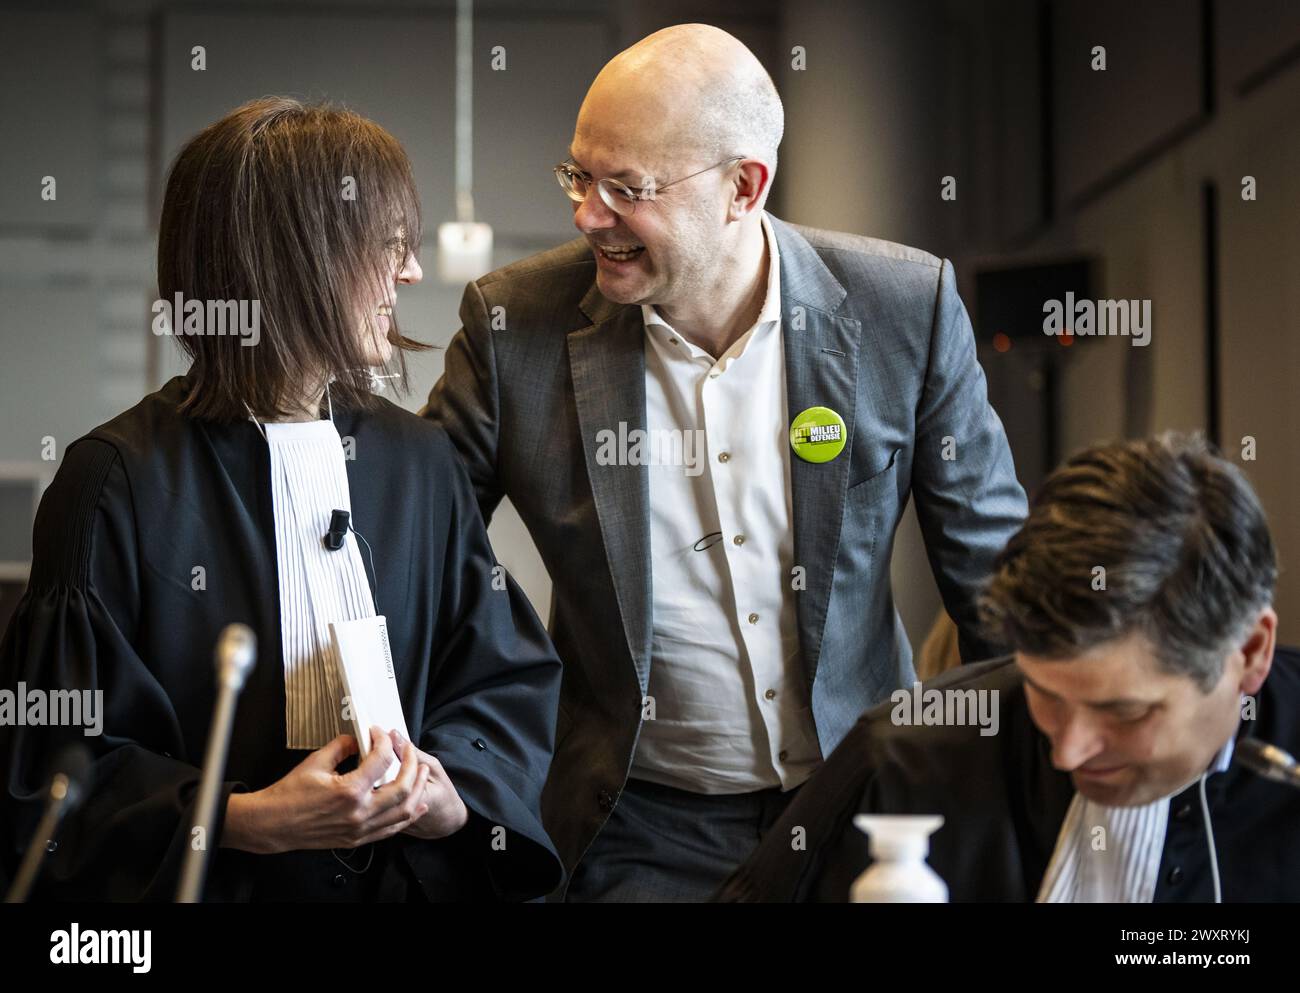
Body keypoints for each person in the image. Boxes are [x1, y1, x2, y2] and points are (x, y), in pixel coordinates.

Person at [423, 24, 1026, 901]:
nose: (588, 213)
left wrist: (1012, 804)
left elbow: (996, 591)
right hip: (632, 823)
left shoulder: (906, 307)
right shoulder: (516, 324)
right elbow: (413, 551)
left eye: (625, 187)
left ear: (745, 187)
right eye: (578, 176)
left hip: (863, 798)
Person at [0, 97, 564, 902]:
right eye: (388, 245)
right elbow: (52, 766)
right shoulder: (112, 484)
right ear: (291, 259)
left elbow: (499, 680)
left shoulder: (419, 462)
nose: (410, 271)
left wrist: (452, 796)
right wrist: (243, 818)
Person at [716, 432, 1298, 902]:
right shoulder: (905, 761)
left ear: (1249, 654)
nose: (1068, 752)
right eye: (1045, 693)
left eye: (1123, 711)